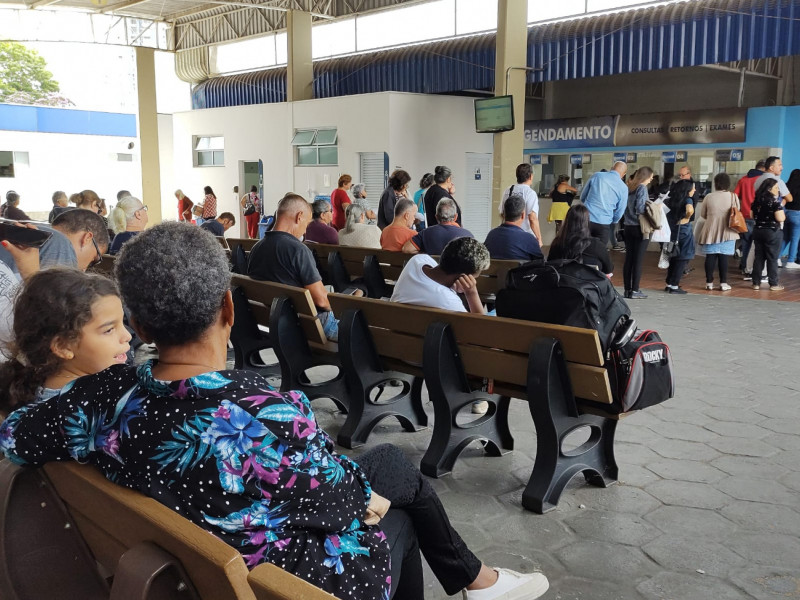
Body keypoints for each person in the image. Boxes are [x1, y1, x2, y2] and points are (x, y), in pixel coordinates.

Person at [0, 222, 548, 600]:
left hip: (196, 562)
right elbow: (348, 504)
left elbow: (16, 434)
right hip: (291, 582)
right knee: (397, 492)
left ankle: (483, 581)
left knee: (390, 475)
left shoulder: (105, 396)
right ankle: (481, 582)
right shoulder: (268, 413)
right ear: (227, 308)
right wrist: (364, 496)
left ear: (138, 327)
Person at [0, 268, 130, 414]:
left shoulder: (36, 386)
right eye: (109, 330)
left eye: (122, 322)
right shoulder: (92, 409)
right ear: (63, 346)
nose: (127, 336)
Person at [247, 194, 340, 341]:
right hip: (310, 326)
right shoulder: (298, 250)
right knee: (363, 332)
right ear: (299, 217)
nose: (305, 231)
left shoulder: (256, 248)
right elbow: (321, 300)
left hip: (278, 322)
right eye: (307, 223)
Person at [392, 236, 489, 316]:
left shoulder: (417, 259)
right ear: (462, 277)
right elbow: (480, 329)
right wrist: (471, 293)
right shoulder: (448, 301)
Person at [697, 173, 740, 291]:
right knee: (723, 257)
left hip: (711, 229)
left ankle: (709, 282)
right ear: (728, 183)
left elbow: (703, 215)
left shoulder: (708, 197)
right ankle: (723, 283)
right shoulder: (733, 196)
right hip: (728, 230)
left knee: (710, 257)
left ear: (715, 183)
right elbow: (737, 212)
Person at [547, 204, 614, 276]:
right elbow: (609, 269)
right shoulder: (596, 245)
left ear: (567, 221)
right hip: (589, 285)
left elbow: (550, 265)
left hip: (562, 284)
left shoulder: (557, 243)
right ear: (587, 222)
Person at [621, 167, 653, 299]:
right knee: (638, 260)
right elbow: (640, 208)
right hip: (640, 227)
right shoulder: (642, 188)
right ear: (646, 176)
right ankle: (635, 290)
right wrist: (654, 207)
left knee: (629, 259)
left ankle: (627, 289)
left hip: (628, 227)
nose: (652, 179)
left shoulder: (628, 187)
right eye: (651, 176)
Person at [579, 161, 628, 244]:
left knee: (581, 248)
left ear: (612, 168)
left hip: (586, 219)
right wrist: (612, 220)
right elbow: (620, 211)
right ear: (624, 174)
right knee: (599, 250)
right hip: (604, 223)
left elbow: (583, 196)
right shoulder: (623, 188)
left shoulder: (597, 175)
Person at [403, 198, 473, 255]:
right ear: (455, 217)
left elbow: (406, 249)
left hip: (433, 271)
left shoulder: (425, 233)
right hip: (457, 272)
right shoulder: (467, 235)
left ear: (436, 217)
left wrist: (425, 255)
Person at [751, 178, 786, 291]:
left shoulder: (756, 202)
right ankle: (773, 284)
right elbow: (780, 218)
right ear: (770, 189)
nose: (778, 190)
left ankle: (756, 283)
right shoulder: (775, 203)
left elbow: (752, 215)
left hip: (758, 231)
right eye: (776, 188)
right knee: (772, 258)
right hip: (772, 232)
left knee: (759, 258)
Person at [484, 194, 543, 261]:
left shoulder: (491, 235)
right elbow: (540, 264)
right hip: (520, 271)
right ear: (523, 215)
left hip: (493, 271)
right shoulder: (529, 239)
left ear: (503, 214)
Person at [663, 179, 696, 294]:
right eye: (693, 188)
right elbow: (689, 209)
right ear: (687, 190)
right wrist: (687, 217)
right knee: (682, 258)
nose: (694, 190)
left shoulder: (672, 199)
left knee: (672, 256)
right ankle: (674, 286)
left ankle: (669, 283)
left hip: (671, 230)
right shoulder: (688, 199)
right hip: (683, 230)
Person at [734, 160, 766, 279]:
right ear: (763, 169)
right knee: (756, 245)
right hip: (758, 216)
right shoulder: (763, 180)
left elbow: (735, 195)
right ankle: (753, 269)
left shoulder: (743, 179)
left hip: (745, 216)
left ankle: (744, 267)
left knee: (746, 243)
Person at [499, 163, 542, 240]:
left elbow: (502, 213)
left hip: (508, 234)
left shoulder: (508, 190)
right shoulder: (530, 193)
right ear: (531, 176)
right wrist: (539, 238)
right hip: (525, 235)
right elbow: (532, 218)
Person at [783, 169, 800, 269]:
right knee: (795, 239)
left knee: (785, 238)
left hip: (786, 213)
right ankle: (790, 261)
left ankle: (776, 258)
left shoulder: (786, 185)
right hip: (797, 214)